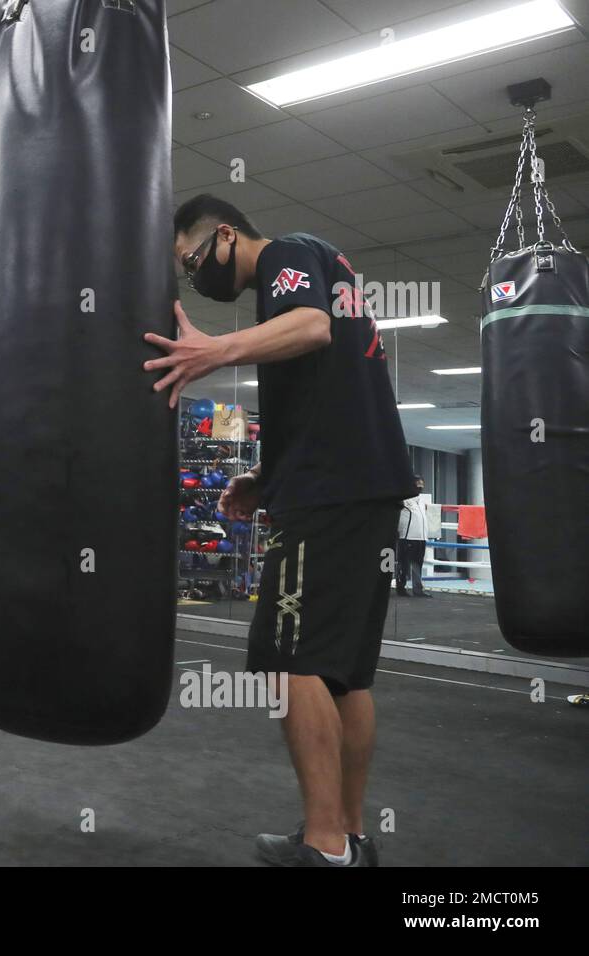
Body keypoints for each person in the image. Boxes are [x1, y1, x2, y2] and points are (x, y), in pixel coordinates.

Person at [144, 194, 415, 867]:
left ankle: (324, 847)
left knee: (288, 659)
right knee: (345, 674)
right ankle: (349, 837)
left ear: (227, 236)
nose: (195, 275)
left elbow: (315, 327)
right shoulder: (314, 270)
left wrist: (217, 351)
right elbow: (328, 390)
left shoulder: (288, 254)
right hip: (363, 487)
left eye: (193, 260)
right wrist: (266, 476)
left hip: (331, 496)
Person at [397, 475, 430, 597]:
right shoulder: (404, 500)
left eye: (421, 486)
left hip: (421, 537)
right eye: (417, 485)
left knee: (418, 563)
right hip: (407, 536)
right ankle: (401, 588)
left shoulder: (421, 501)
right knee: (404, 563)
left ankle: (418, 589)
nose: (420, 488)